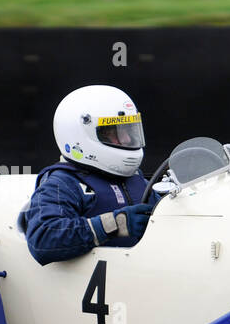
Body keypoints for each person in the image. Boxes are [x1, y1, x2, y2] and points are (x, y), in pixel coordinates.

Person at [21, 85, 160, 266]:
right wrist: (116, 224)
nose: (126, 139)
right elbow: (43, 239)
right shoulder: (63, 184)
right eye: (113, 132)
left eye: (128, 130)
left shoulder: (137, 180)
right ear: (79, 135)